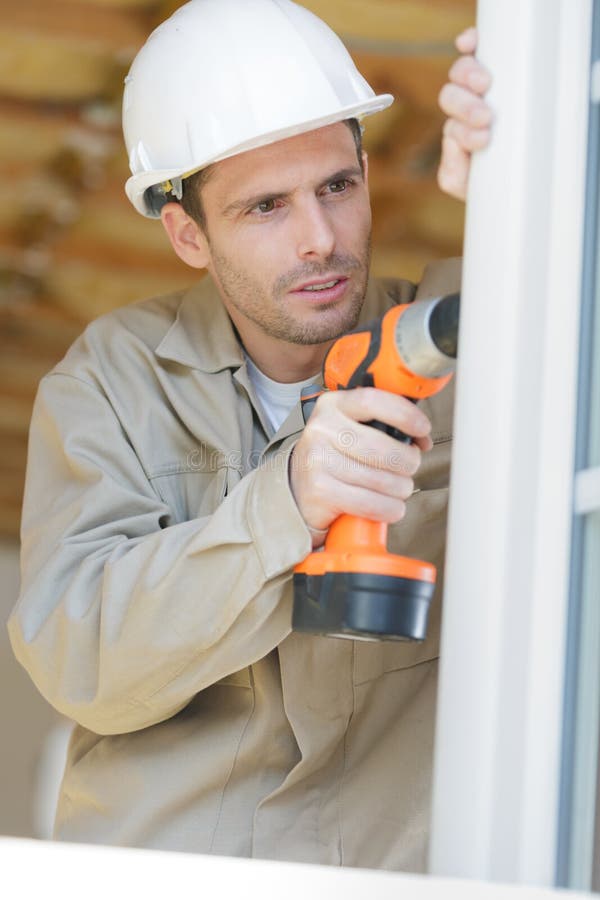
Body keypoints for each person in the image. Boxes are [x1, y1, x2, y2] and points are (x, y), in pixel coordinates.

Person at [8, 0, 491, 872]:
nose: (320, 239)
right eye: (266, 206)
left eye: (336, 187)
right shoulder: (110, 383)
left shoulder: (469, 343)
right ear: (188, 233)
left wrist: (525, 192)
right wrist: (288, 505)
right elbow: (81, 659)